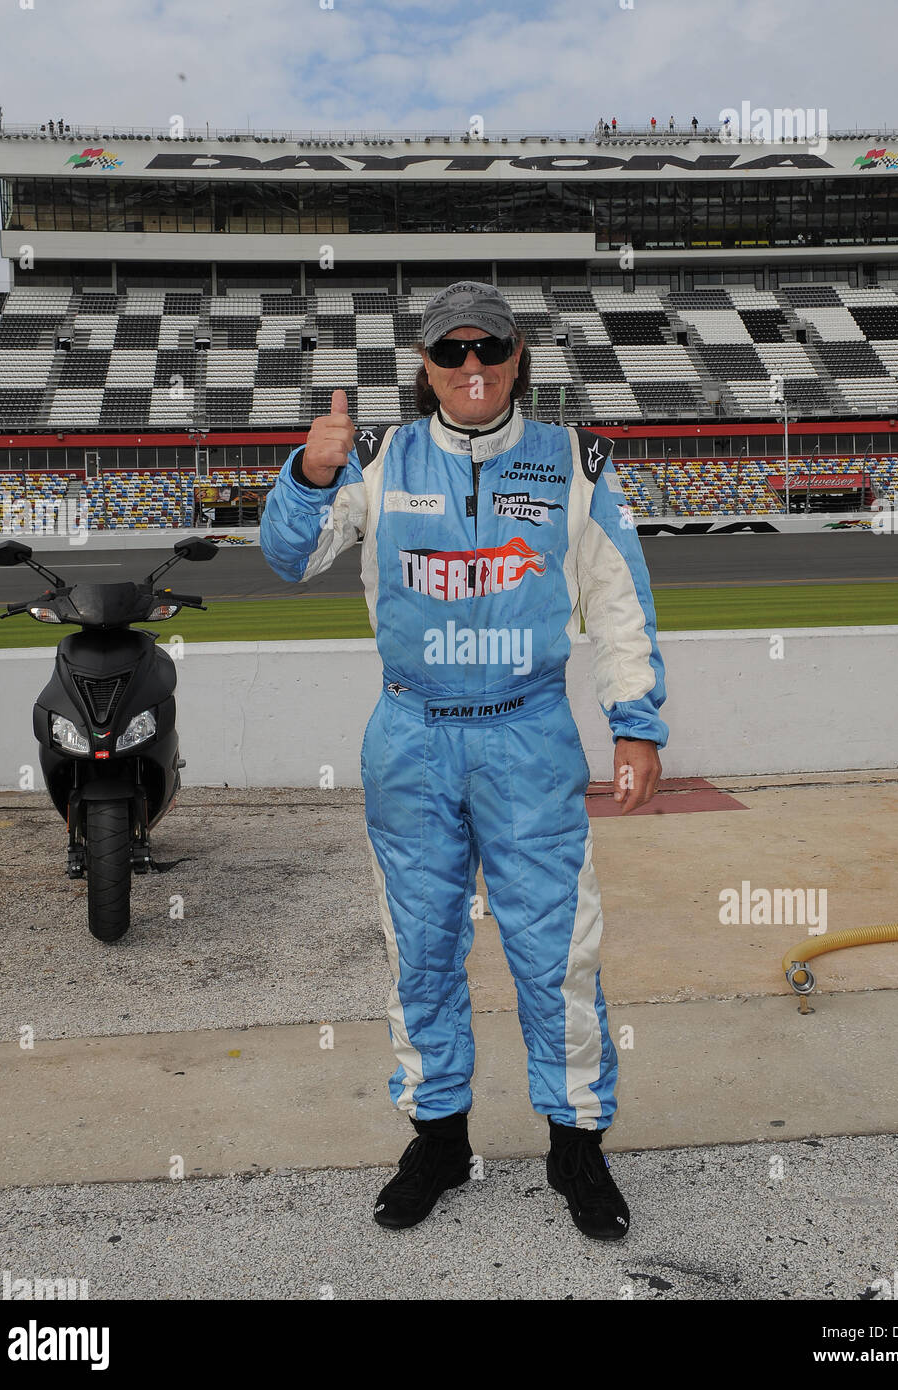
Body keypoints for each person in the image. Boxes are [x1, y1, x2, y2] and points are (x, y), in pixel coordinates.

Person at [260, 282, 668, 1242]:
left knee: (556, 951)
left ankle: (577, 1148)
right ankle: (438, 1140)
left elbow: (618, 602)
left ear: (520, 356)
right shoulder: (376, 457)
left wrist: (636, 723)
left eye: (491, 349)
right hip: (412, 736)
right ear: (427, 365)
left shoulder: (577, 460)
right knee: (422, 951)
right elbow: (287, 558)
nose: (472, 369)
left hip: (529, 736)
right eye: (452, 353)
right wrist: (307, 479)